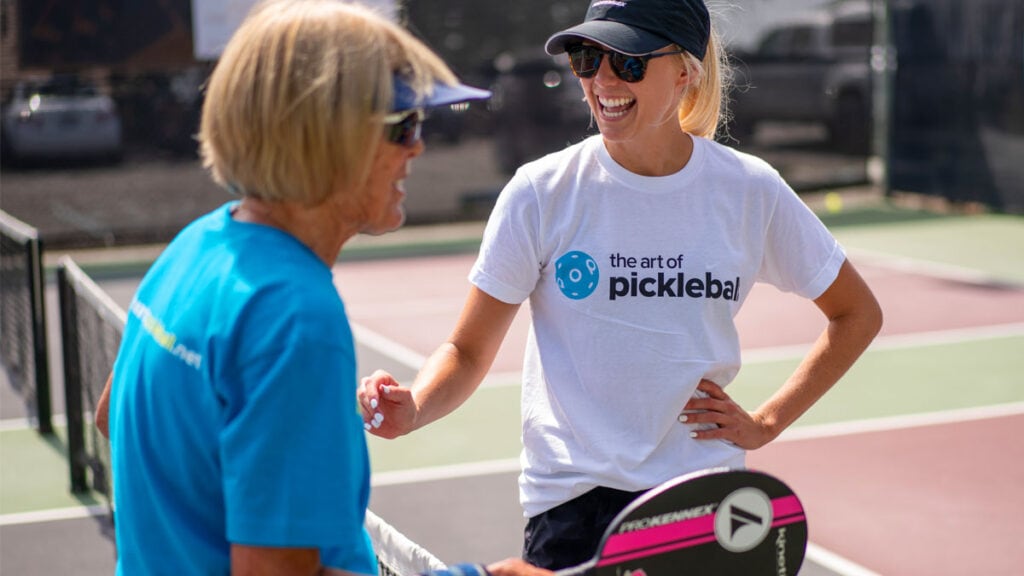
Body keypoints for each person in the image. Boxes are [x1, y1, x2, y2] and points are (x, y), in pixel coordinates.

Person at [357, 0, 884, 571]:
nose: (603, 80)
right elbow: (466, 349)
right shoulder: (541, 192)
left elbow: (856, 313)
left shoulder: (750, 190)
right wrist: (415, 406)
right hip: (572, 506)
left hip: (701, 500)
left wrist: (767, 422)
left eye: (628, 62)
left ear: (684, 72)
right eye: (587, 59)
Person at [94, 1, 549, 575]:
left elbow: (114, 418)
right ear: (327, 138)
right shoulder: (294, 315)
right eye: (402, 125)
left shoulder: (197, 244)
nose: (417, 146)